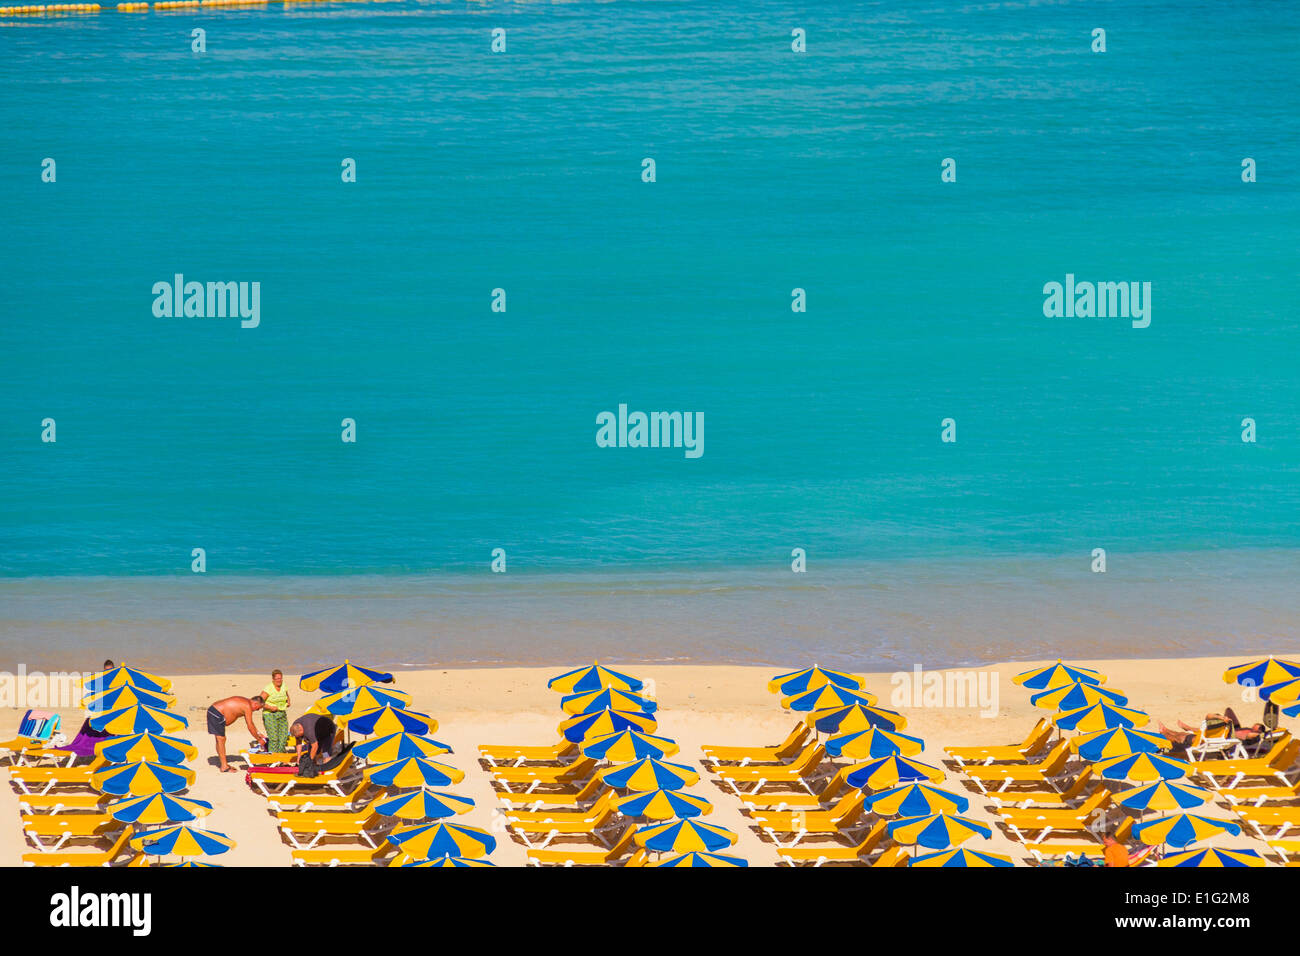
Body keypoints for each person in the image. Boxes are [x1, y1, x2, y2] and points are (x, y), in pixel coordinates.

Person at [207, 696, 265, 772]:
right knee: (221, 739)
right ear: (255, 703)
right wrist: (258, 739)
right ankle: (224, 766)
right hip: (217, 713)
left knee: (220, 739)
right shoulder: (247, 706)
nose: (257, 710)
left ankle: (223, 763)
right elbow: (250, 725)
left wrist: (258, 733)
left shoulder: (246, 702)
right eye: (258, 708)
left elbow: (252, 724)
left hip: (215, 712)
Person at [261, 670, 291, 754]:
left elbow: (286, 694)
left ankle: (280, 756)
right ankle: (273, 758)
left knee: (283, 736)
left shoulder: (284, 686)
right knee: (274, 738)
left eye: (280, 678)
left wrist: (288, 701)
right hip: (270, 714)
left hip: (281, 713)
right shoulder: (268, 688)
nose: (279, 680)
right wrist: (270, 707)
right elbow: (259, 702)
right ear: (273, 679)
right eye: (277, 679)